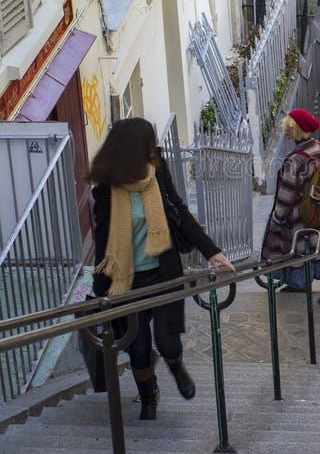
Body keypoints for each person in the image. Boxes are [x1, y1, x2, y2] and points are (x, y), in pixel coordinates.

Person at [89, 117, 235, 420]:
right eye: (147, 144)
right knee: (139, 349)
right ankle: (148, 394)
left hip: (163, 273)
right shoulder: (105, 190)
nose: (152, 150)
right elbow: (103, 243)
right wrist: (101, 292)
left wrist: (212, 251)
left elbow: (179, 211)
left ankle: (176, 365)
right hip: (125, 282)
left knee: (167, 341)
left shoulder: (157, 171)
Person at [261, 109, 320, 293]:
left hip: (296, 215)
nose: (285, 130)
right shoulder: (318, 147)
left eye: (289, 127)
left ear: (298, 129)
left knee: (295, 246)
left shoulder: (295, 159)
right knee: (310, 242)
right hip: (314, 207)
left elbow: (286, 195)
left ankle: (298, 283)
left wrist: (277, 220)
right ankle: (309, 277)